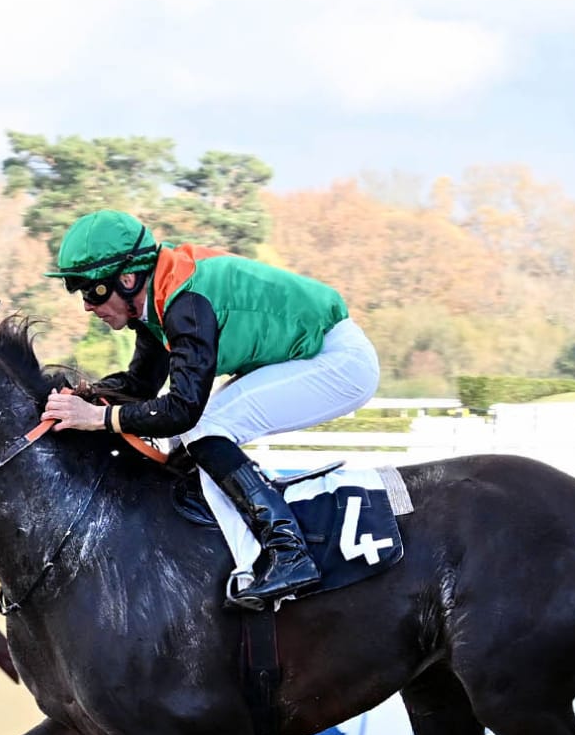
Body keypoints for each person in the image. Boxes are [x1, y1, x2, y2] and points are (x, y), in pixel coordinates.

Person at [40, 208, 381, 609]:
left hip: (339, 361)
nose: (87, 306)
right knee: (194, 436)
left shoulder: (185, 305)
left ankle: (288, 553)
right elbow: (142, 386)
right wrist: (91, 395)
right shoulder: (156, 301)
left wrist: (98, 419)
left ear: (127, 279)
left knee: (205, 429)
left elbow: (183, 409)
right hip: (305, 354)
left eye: (92, 291)